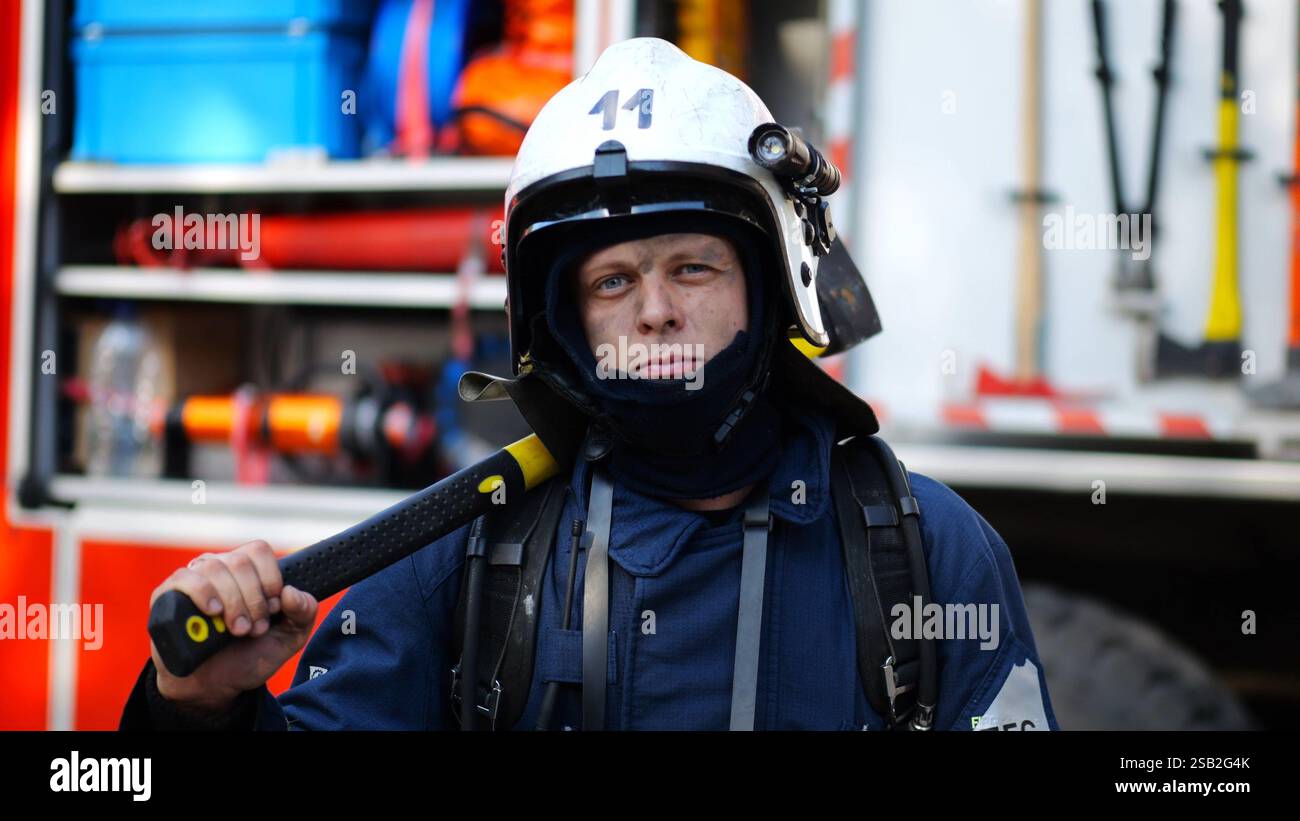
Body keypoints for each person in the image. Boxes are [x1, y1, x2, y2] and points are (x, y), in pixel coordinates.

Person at [120, 37, 1058, 732]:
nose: (653, 311)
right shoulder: (466, 558)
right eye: (613, 281)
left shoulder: (927, 552)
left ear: (773, 284)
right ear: (561, 323)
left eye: (693, 267)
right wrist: (195, 706)